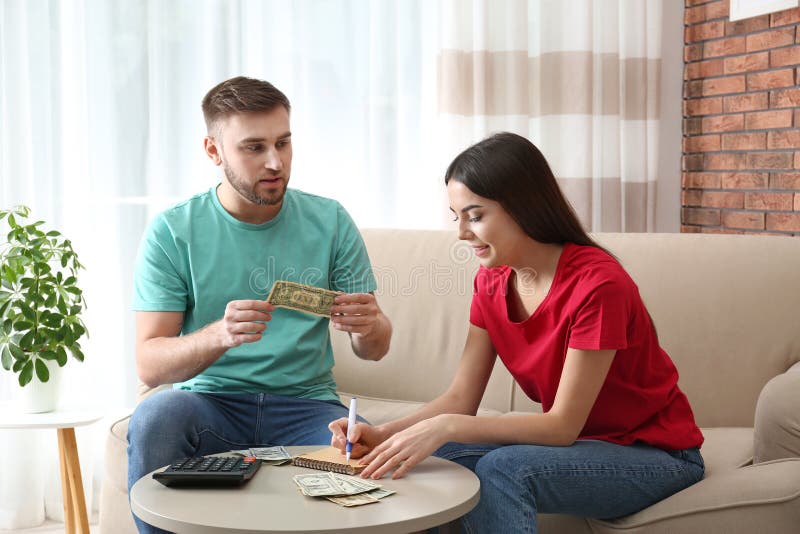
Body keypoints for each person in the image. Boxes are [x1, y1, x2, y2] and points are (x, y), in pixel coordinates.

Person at [329, 132, 704, 533]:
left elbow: (562, 426)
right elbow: (460, 399)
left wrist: (448, 426)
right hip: (580, 447)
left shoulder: (598, 285)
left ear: (524, 206)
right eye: (457, 217)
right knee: (428, 461)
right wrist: (383, 436)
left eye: (475, 216)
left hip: (655, 455)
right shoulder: (491, 282)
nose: (461, 233)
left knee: (504, 468)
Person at [128, 76, 392, 534]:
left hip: (306, 406)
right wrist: (219, 335)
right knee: (156, 416)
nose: (275, 162)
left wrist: (370, 327)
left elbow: (375, 350)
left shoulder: (330, 220)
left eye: (283, 143)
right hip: (209, 405)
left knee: (369, 457)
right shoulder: (173, 230)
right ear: (213, 151)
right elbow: (149, 366)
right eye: (254, 147)